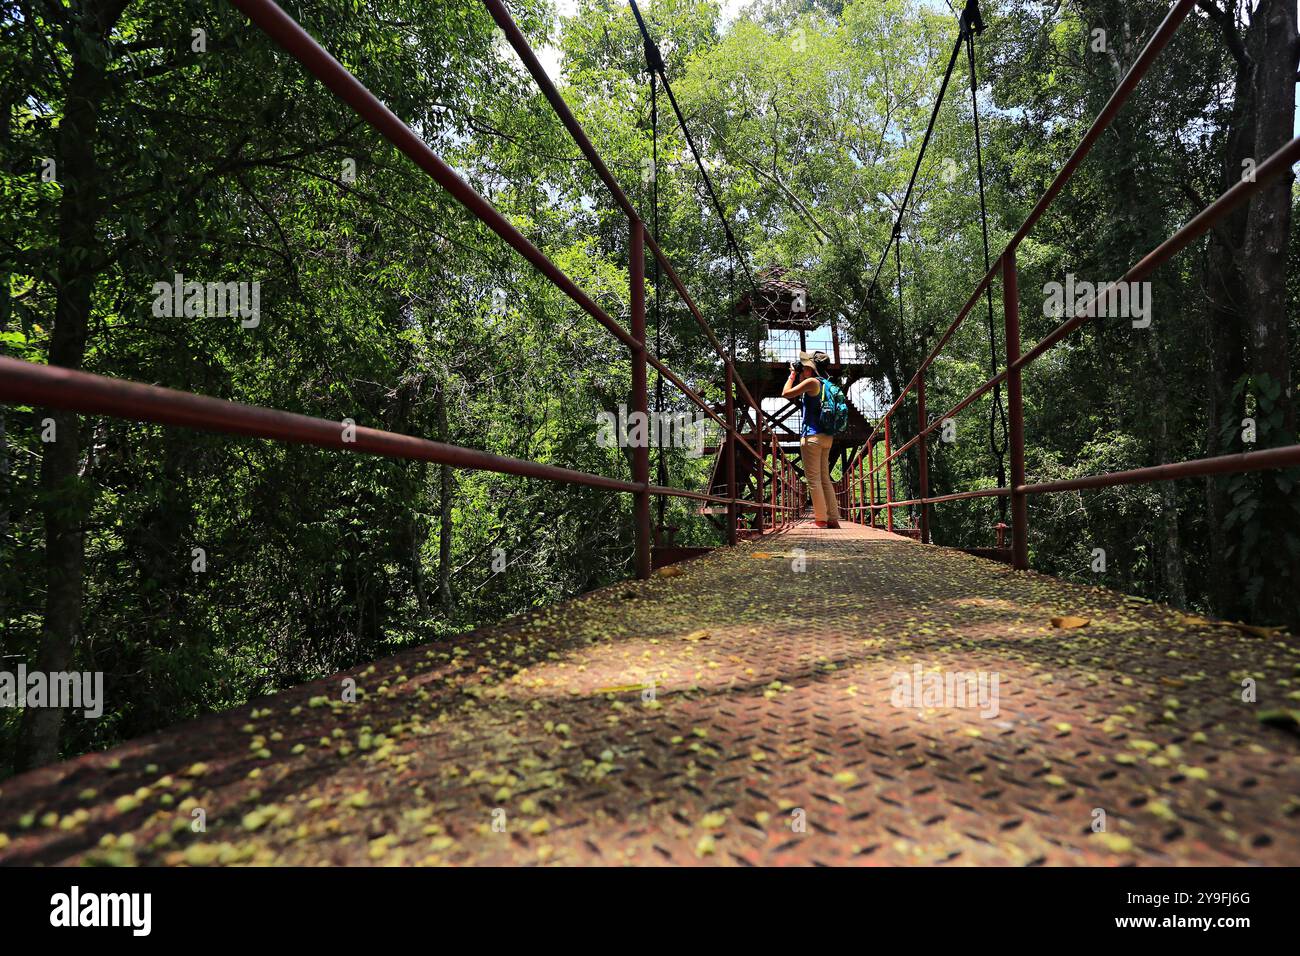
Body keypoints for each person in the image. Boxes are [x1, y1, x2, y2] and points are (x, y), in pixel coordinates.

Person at [782, 350, 841, 528]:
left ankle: (821, 519)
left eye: (805, 365)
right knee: (824, 478)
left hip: (812, 436)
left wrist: (792, 374)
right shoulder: (827, 384)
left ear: (811, 367)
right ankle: (833, 518)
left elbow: (786, 393)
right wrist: (801, 373)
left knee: (813, 480)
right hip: (827, 437)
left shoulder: (811, 382)